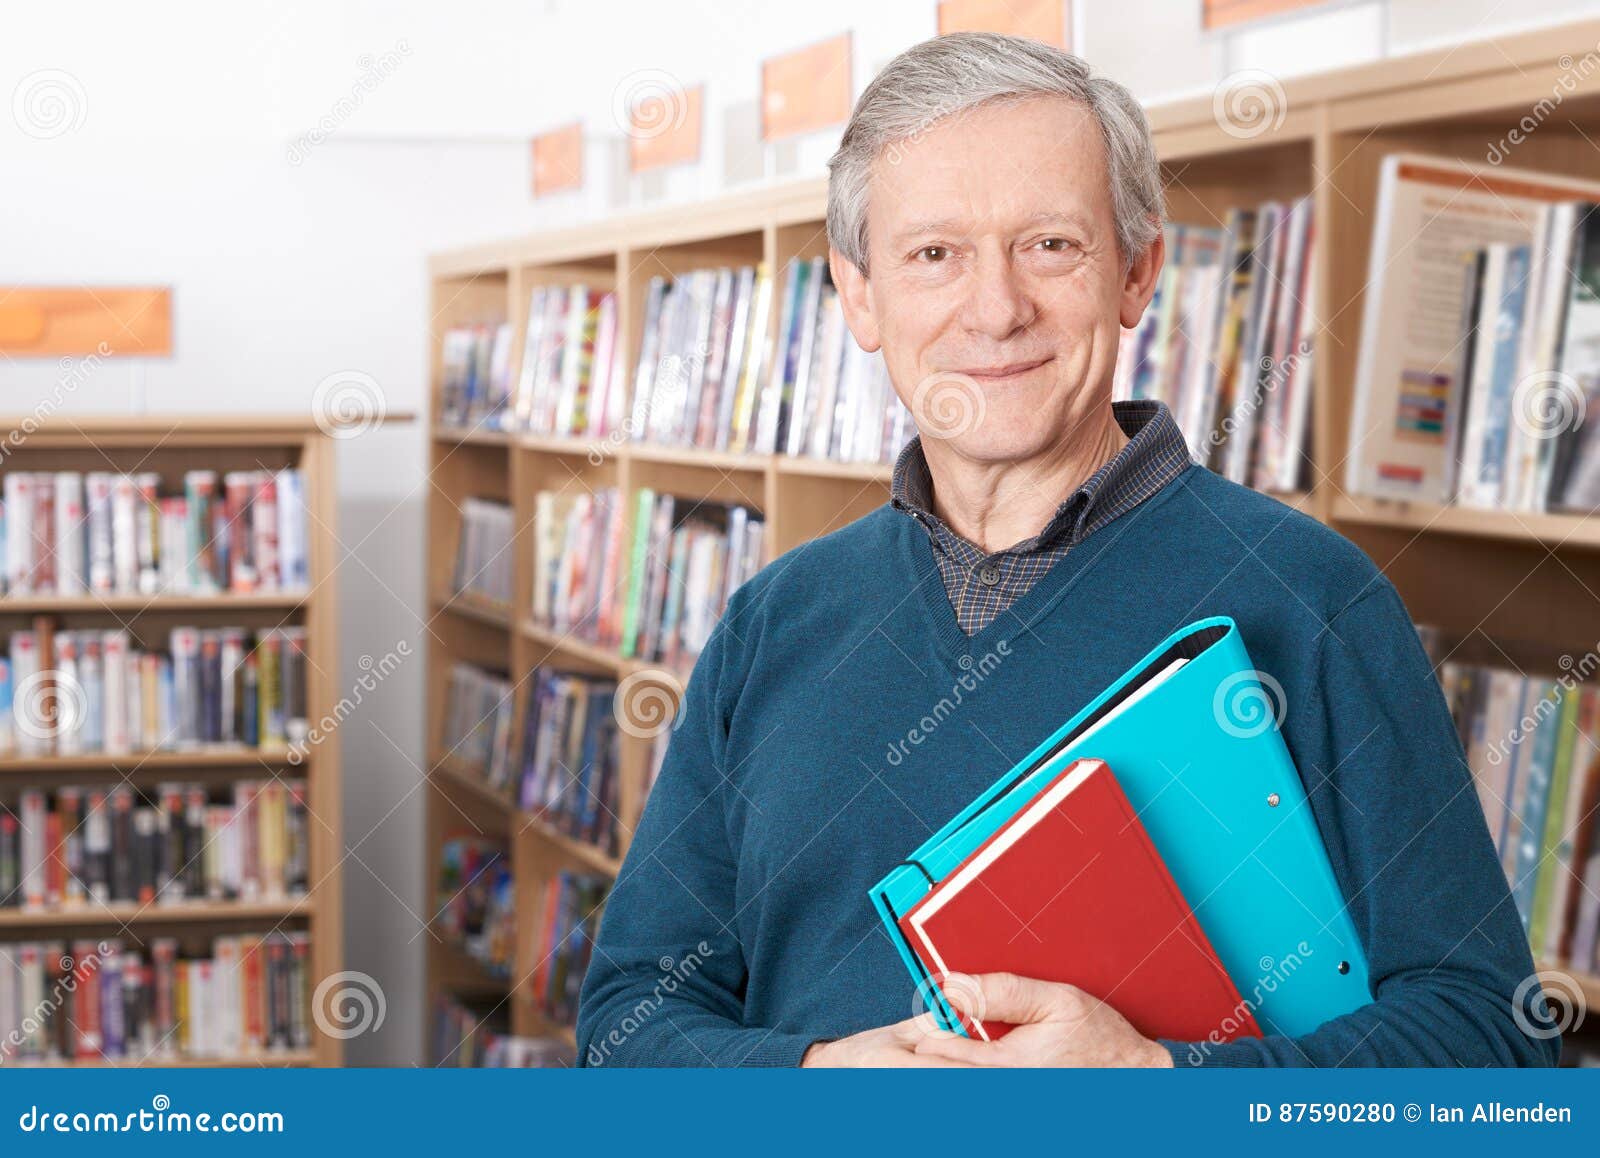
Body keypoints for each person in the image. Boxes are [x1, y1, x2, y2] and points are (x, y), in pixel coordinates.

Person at [576, 31, 1557, 1068]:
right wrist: (808, 1080)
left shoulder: (1308, 599)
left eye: (1050, 244)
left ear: (1136, 274)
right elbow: (625, 1020)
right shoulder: (772, 621)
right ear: (860, 296)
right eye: (933, 254)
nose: (996, 310)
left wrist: (1158, 1084)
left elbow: (1489, 1042)